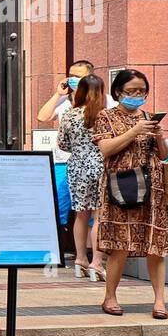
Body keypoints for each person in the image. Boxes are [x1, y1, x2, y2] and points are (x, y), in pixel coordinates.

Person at [92, 69, 168, 318]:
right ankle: (110, 296)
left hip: (152, 188)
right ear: (118, 92)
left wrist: (158, 137)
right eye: (131, 91)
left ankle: (159, 301)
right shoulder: (106, 116)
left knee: (155, 244)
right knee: (120, 244)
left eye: (142, 91)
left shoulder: (148, 117)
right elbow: (106, 149)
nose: (137, 96)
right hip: (122, 186)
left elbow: (164, 154)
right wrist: (134, 131)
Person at [58, 73, 108, 280]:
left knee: (81, 214)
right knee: (100, 215)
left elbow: (62, 144)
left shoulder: (70, 114)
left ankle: (80, 260)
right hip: (101, 165)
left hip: (77, 166)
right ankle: (97, 262)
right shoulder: (105, 115)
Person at [37, 59, 114, 125]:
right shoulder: (64, 99)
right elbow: (42, 118)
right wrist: (58, 94)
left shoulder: (105, 99)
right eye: (71, 75)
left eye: (78, 77)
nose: (73, 79)